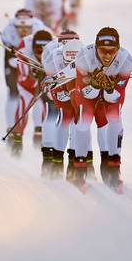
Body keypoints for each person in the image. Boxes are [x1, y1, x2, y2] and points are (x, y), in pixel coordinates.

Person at [69, 27, 132, 170]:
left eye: (112, 51)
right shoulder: (83, 57)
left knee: (115, 121)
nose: (107, 56)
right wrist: (95, 86)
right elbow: (84, 92)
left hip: (111, 94)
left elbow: (115, 97)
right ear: (96, 48)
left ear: (118, 49)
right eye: (103, 50)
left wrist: (110, 89)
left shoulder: (126, 60)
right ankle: (80, 161)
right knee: (83, 123)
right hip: (88, 93)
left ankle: (113, 159)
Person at [0, 9, 50, 142]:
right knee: (14, 91)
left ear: (32, 25)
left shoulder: (41, 29)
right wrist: (29, 73)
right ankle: (12, 126)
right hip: (15, 55)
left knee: (40, 92)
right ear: (14, 26)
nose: (23, 30)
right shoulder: (9, 33)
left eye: (26, 27)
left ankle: (39, 128)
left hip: (35, 57)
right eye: (19, 27)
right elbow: (16, 64)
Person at [39, 30, 82, 163]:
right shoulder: (53, 54)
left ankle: (76, 152)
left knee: (78, 115)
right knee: (63, 113)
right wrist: (59, 90)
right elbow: (54, 77)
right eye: (65, 43)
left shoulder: (83, 50)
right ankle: (55, 152)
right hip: (57, 80)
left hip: (74, 81)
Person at [8, 29, 54, 144]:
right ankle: (17, 133)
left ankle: (43, 131)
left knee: (47, 102)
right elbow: (23, 77)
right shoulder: (24, 49)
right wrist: (33, 75)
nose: (41, 54)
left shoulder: (55, 47)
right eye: (38, 51)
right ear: (33, 48)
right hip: (27, 79)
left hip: (45, 77)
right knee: (25, 99)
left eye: (45, 52)